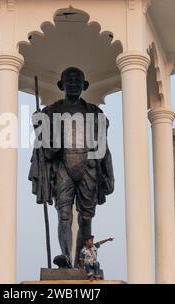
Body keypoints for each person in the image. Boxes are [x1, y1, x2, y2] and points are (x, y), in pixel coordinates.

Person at [29, 67, 115, 269]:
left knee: (86, 217)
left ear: (85, 86)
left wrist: (106, 173)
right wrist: (40, 126)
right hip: (62, 166)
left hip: (90, 165)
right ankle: (65, 257)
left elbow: (103, 147)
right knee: (64, 214)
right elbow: (48, 151)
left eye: (78, 80)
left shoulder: (95, 112)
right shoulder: (50, 112)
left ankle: (81, 260)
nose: (74, 82)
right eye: (69, 79)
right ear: (61, 85)